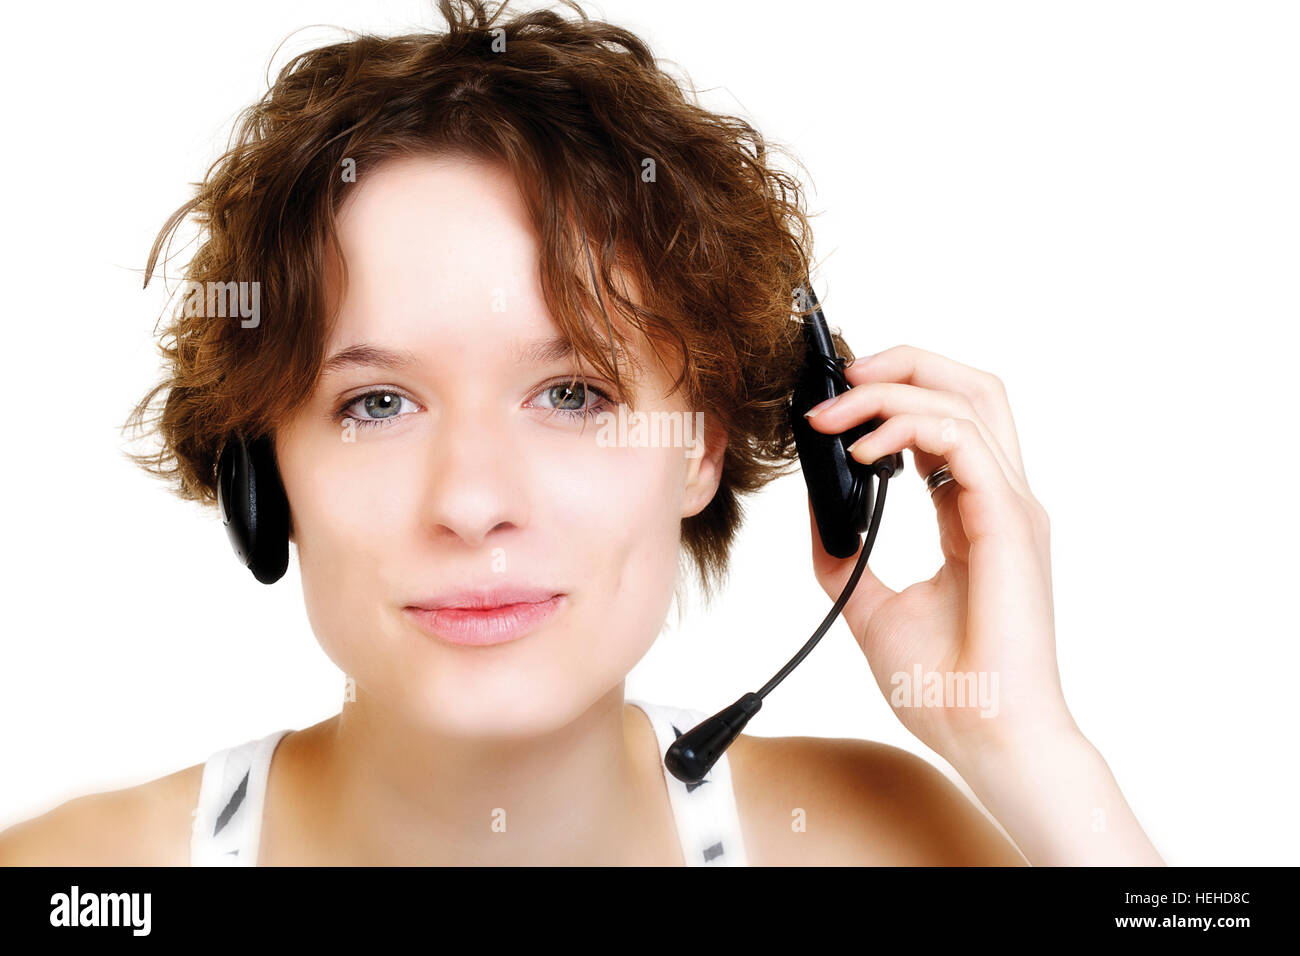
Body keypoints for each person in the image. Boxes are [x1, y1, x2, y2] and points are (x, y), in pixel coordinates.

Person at [0, 0, 1161, 866]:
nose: (471, 500)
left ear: (701, 442)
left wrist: (1027, 749)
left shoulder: (876, 843)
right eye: (376, 402)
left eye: (573, 394)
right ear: (262, 475)